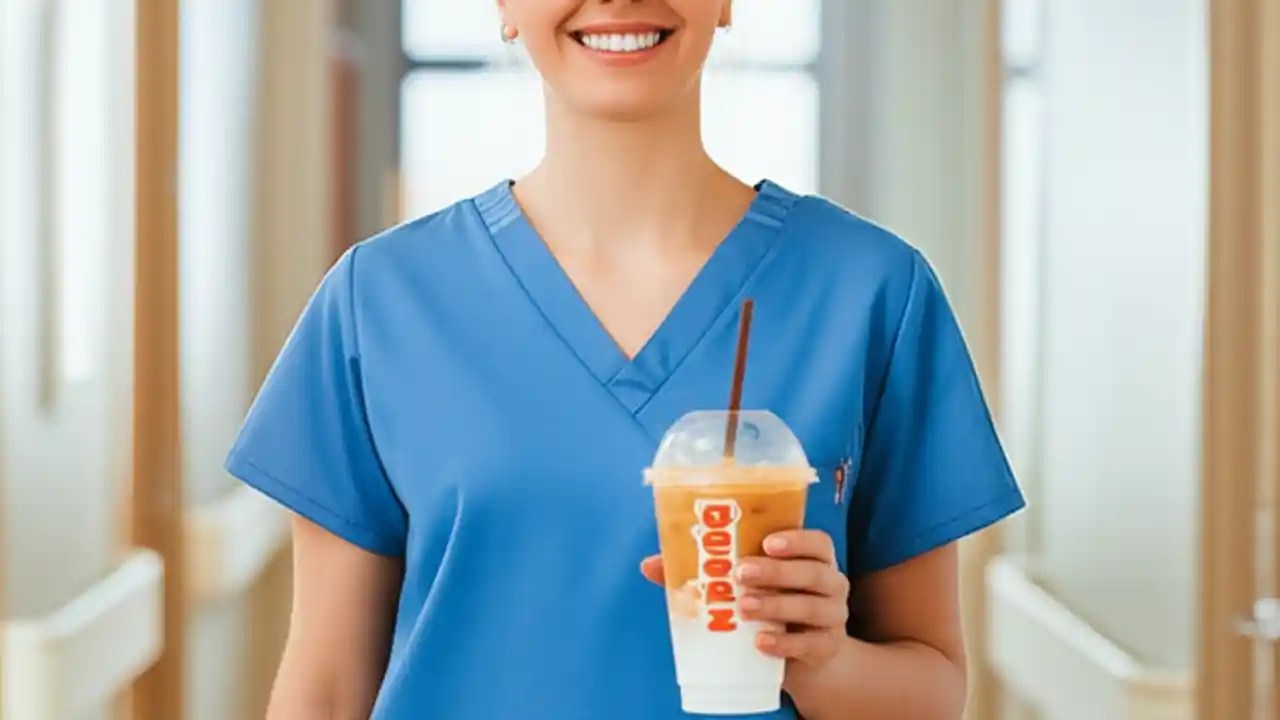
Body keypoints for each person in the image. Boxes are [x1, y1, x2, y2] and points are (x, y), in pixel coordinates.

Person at [225, 1, 1025, 718]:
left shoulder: (871, 292)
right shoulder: (380, 301)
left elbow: (933, 689)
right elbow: (326, 687)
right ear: (504, 6)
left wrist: (822, 661)